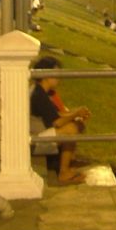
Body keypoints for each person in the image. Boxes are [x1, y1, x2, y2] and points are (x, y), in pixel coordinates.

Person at [30, 56, 91, 184]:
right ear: (46, 74)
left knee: (76, 124)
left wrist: (76, 113)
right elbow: (57, 122)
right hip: (33, 141)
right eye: (56, 73)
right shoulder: (38, 94)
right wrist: (75, 114)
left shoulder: (41, 90)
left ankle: (69, 162)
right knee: (71, 128)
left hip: (38, 135)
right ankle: (64, 172)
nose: (59, 77)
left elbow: (56, 114)